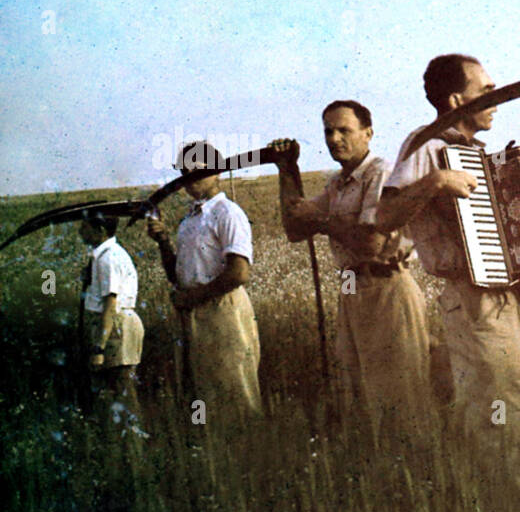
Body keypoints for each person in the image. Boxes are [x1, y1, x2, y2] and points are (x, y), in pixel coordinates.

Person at [373, 54, 520, 512]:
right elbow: (385, 216)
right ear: (454, 100)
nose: (496, 99)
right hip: (471, 299)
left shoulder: (474, 149)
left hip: (501, 300)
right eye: (486, 90)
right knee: (497, 414)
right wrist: (436, 181)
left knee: (513, 409)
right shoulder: (427, 147)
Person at [273, 100, 432, 445]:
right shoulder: (338, 183)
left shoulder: (380, 174)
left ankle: (412, 472)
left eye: (344, 129)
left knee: (398, 395)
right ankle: (380, 470)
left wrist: (320, 220)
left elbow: (370, 243)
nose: (333, 138)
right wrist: (287, 171)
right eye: (328, 130)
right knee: (358, 389)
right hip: (352, 291)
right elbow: (295, 229)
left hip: (386, 287)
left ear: (368, 133)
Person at [146, 141, 262, 430]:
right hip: (195, 311)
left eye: (199, 171)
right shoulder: (189, 220)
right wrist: (163, 242)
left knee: (234, 387)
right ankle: (212, 451)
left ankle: (249, 452)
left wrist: (193, 298)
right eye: (185, 173)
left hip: (224, 311)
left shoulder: (227, 213)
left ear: (218, 172)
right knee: (201, 389)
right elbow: (179, 276)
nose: (191, 179)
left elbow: (238, 274)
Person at [78, 209, 144, 433]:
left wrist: (99, 347)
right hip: (114, 325)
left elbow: (110, 305)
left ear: (100, 230)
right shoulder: (105, 255)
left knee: (122, 388)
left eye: (85, 227)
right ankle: (122, 439)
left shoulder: (108, 259)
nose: (80, 231)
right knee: (116, 388)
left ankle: (133, 444)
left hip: (117, 327)